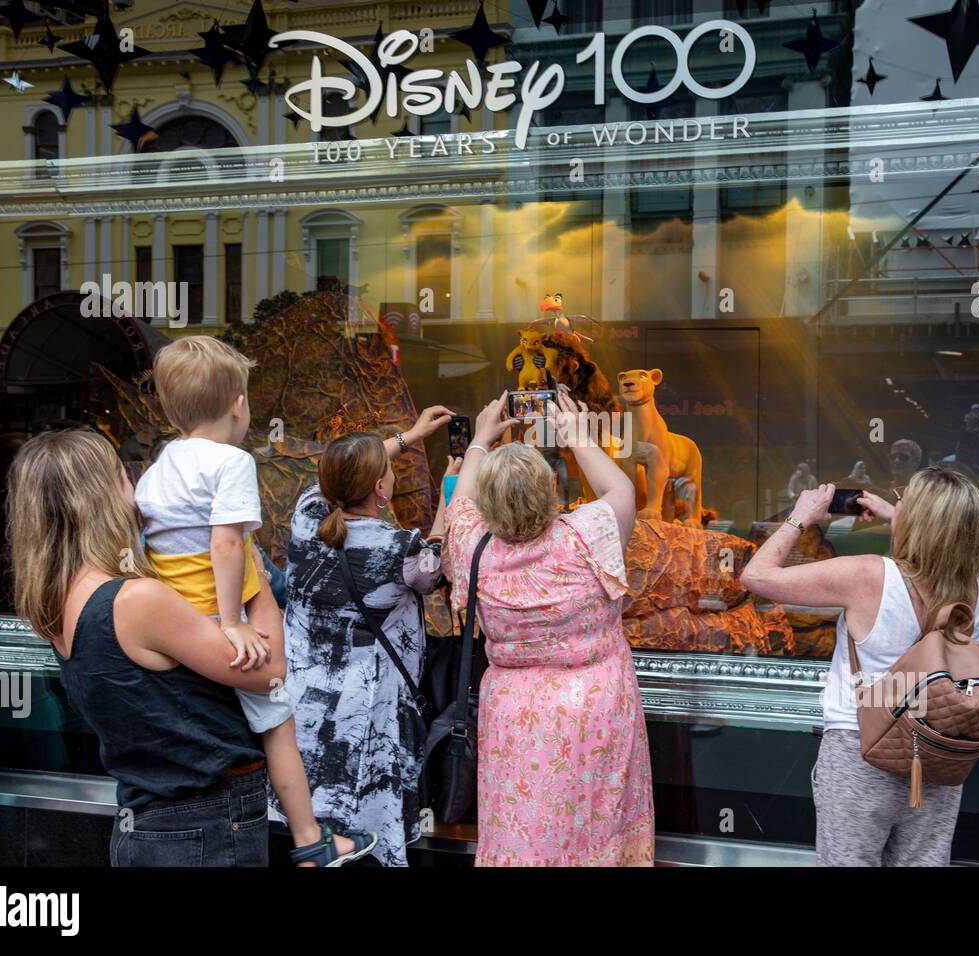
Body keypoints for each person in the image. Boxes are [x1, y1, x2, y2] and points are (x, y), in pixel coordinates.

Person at [133, 335, 371, 866]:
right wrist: (235, 621)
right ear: (239, 405)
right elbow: (225, 542)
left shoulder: (160, 465)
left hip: (174, 621)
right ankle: (310, 840)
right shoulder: (231, 462)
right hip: (218, 616)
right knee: (277, 721)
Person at [7, 429, 285, 866]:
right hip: (203, 823)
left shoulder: (55, 601)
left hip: (148, 822)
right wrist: (249, 567)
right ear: (102, 497)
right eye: (124, 477)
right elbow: (270, 673)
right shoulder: (134, 600)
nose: (136, 493)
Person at [740, 467, 979, 866]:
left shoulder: (868, 576)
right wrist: (902, 516)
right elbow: (942, 549)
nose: (898, 504)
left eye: (904, 500)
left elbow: (756, 576)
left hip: (860, 750)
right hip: (937, 751)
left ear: (919, 518)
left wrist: (800, 515)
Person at [443, 387, 655, 866]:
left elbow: (460, 503)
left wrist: (480, 438)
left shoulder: (471, 546)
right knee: (598, 822)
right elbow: (619, 489)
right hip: (594, 704)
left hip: (514, 710)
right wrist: (576, 433)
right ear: (551, 489)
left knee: (524, 824)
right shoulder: (587, 537)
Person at [282, 408, 462, 868]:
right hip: (366, 719)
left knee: (312, 832)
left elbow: (336, 475)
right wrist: (454, 483)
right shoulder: (398, 549)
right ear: (382, 489)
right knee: (368, 837)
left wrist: (409, 437)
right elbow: (437, 558)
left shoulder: (307, 518)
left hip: (304, 710)